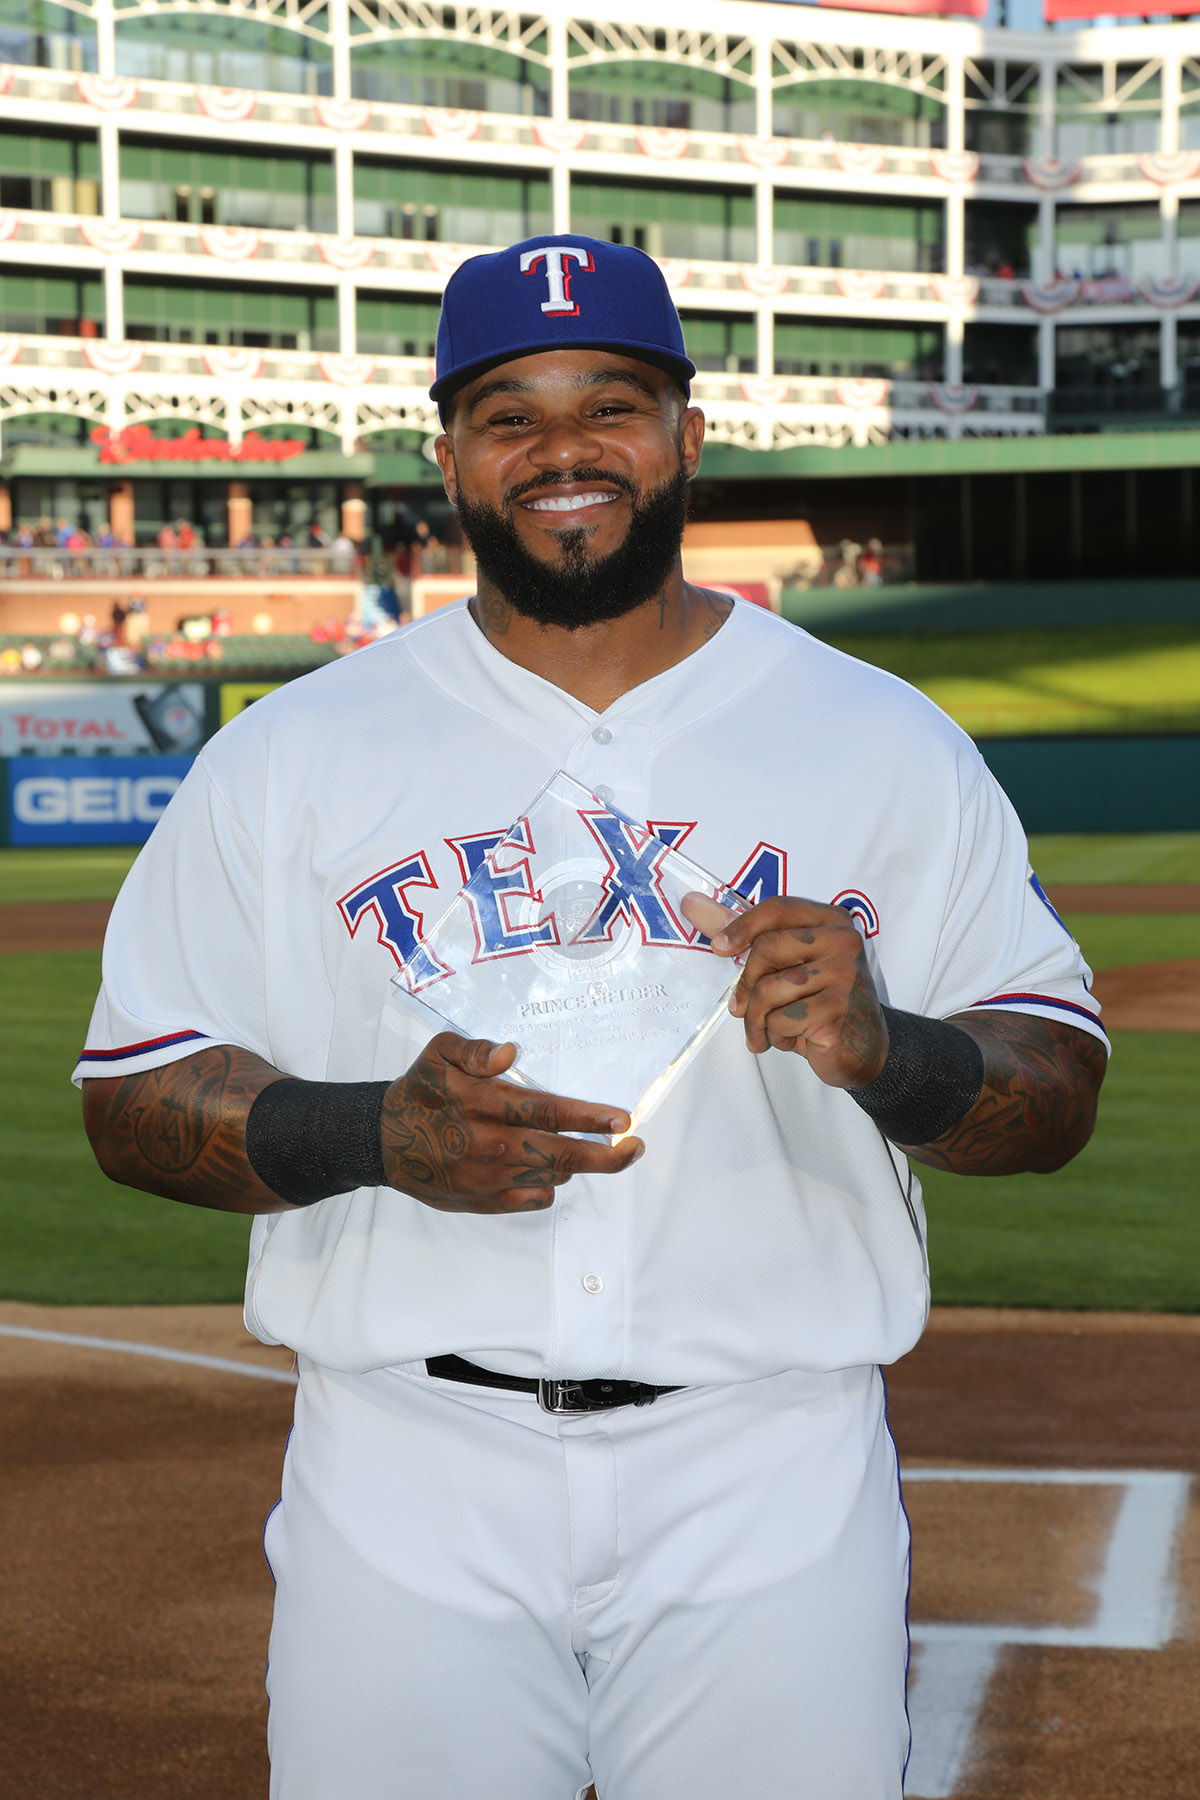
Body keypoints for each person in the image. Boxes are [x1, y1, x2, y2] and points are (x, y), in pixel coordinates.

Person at [76, 235, 1107, 1800]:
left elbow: (1058, 1087)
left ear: (688, 435)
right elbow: (134, 1094)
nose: (562, 448)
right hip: (406, 1478)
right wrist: (368, 1133)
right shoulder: (294, 753)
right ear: (450, 458)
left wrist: (893, 1055)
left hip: (770, 1468)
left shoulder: (882, 741)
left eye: (611, 403)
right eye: (508, 413)